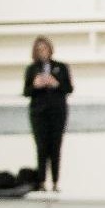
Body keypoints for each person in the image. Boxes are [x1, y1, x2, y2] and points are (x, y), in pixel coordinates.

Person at [23, 36, 73, 191]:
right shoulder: (32, 69)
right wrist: (35, 85)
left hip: (57, 112)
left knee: (55, 146)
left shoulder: (61, 67)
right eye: (39, 50)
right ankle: (41, 181)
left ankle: (56, 182)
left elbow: (69, 88)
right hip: (39, 113)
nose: (42, 52)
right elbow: (26, 91)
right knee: (41, 146)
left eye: (44, 48)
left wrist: (55, 83)